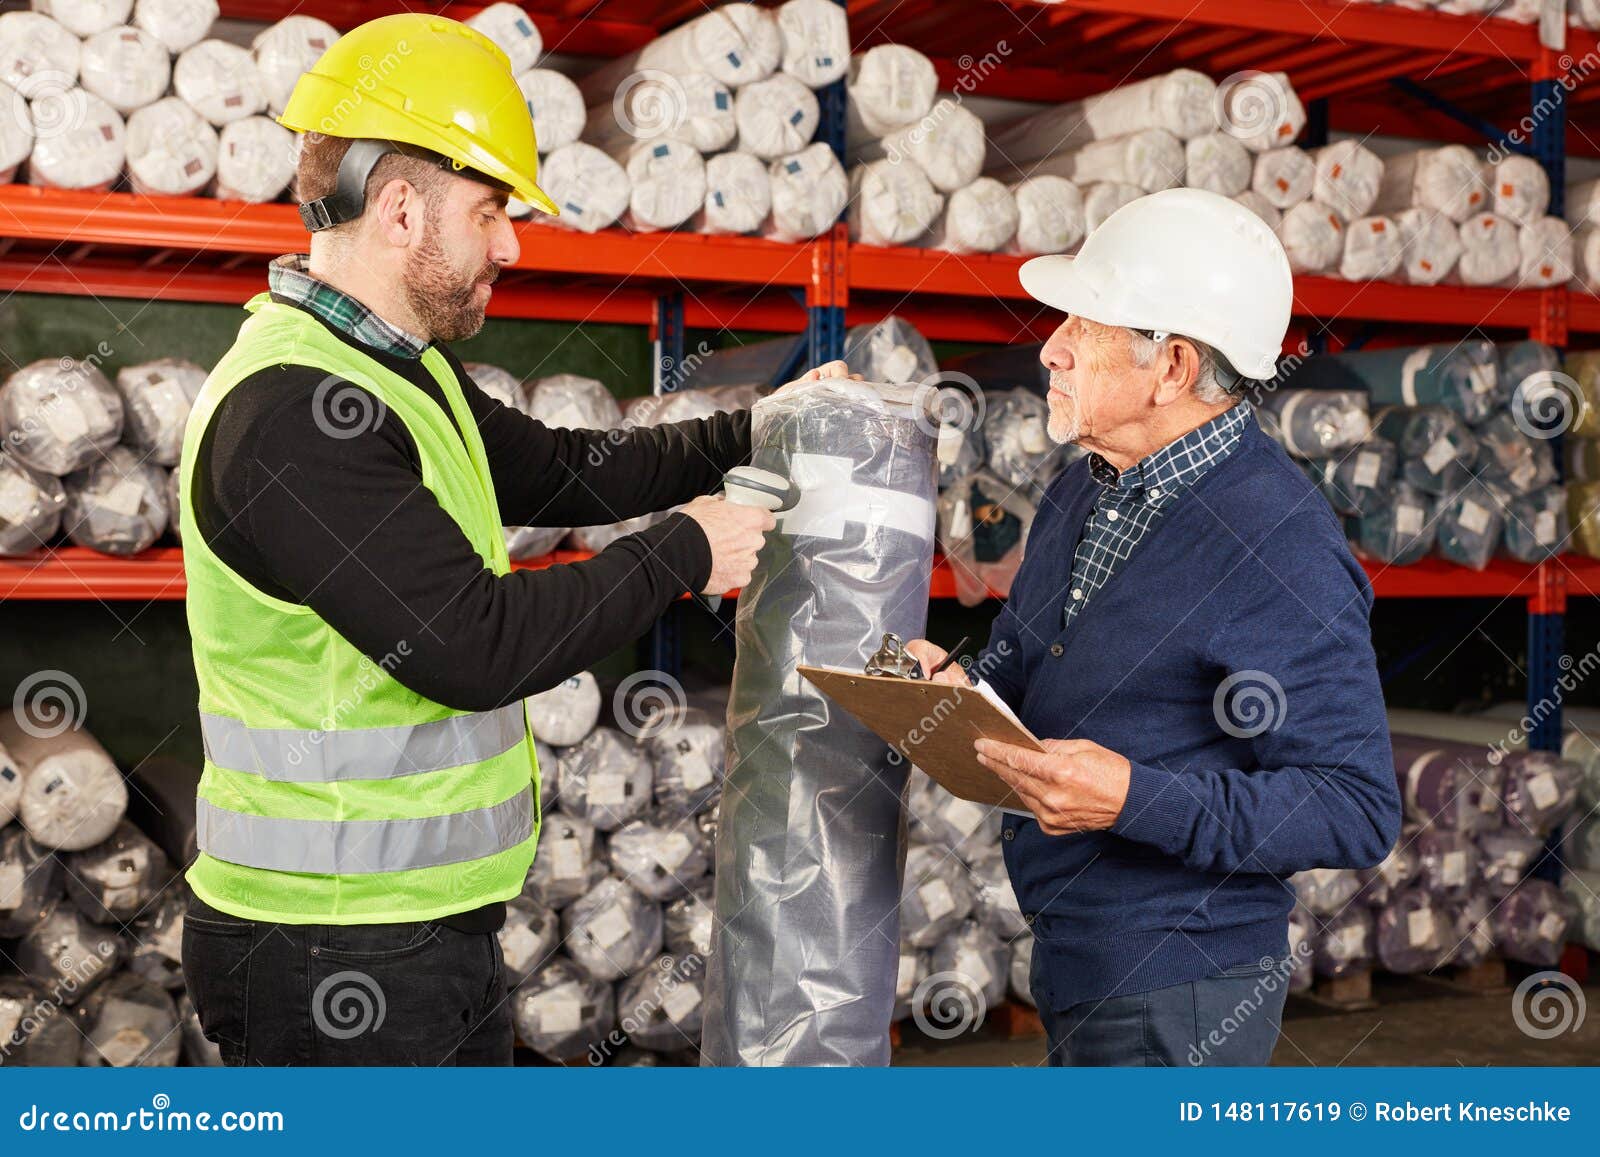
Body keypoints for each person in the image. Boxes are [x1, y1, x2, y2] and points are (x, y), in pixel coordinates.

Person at [178, 14, 832, 1066]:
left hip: (419, 928)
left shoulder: (403, 370)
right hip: (333, 948)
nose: (511, 244)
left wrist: (764, 423)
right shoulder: (296, 415)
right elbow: (469, 645)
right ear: (398, 211)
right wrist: (682, 551)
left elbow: (576, 468)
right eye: (489, 212)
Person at [908, 188, 1401, 1067]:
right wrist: (955, 692)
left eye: (1084, 327)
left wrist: (1136, 797)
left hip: (1182, 981)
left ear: (1172, 367)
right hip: (1075, 949)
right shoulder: (1082, 487)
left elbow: (1354, 805)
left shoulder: (1275, 540)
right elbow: (1037, 675)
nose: (1050, 348)